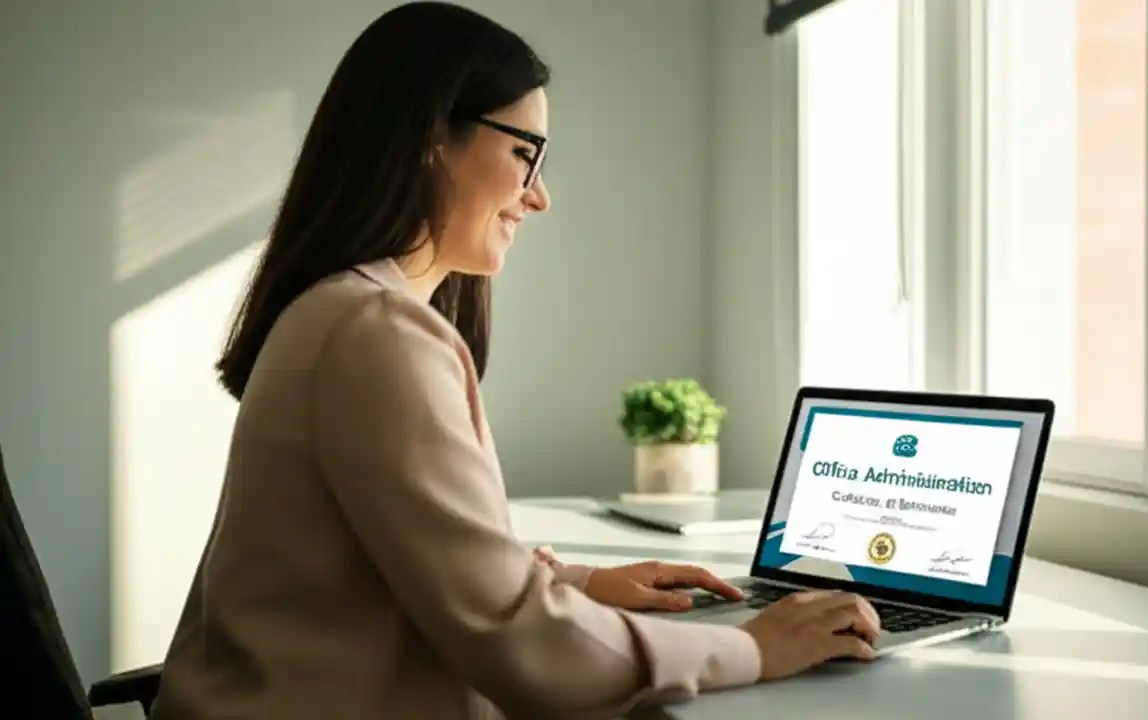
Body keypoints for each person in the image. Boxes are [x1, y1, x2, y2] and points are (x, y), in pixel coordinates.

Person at [150, 3, 880, 718]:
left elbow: (388, 572)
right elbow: (520, 646)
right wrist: (755, 649)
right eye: (525, 155)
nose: (540, 197)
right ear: (432, 137)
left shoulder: (336, 312)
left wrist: (579, 582)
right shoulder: (375, 333)